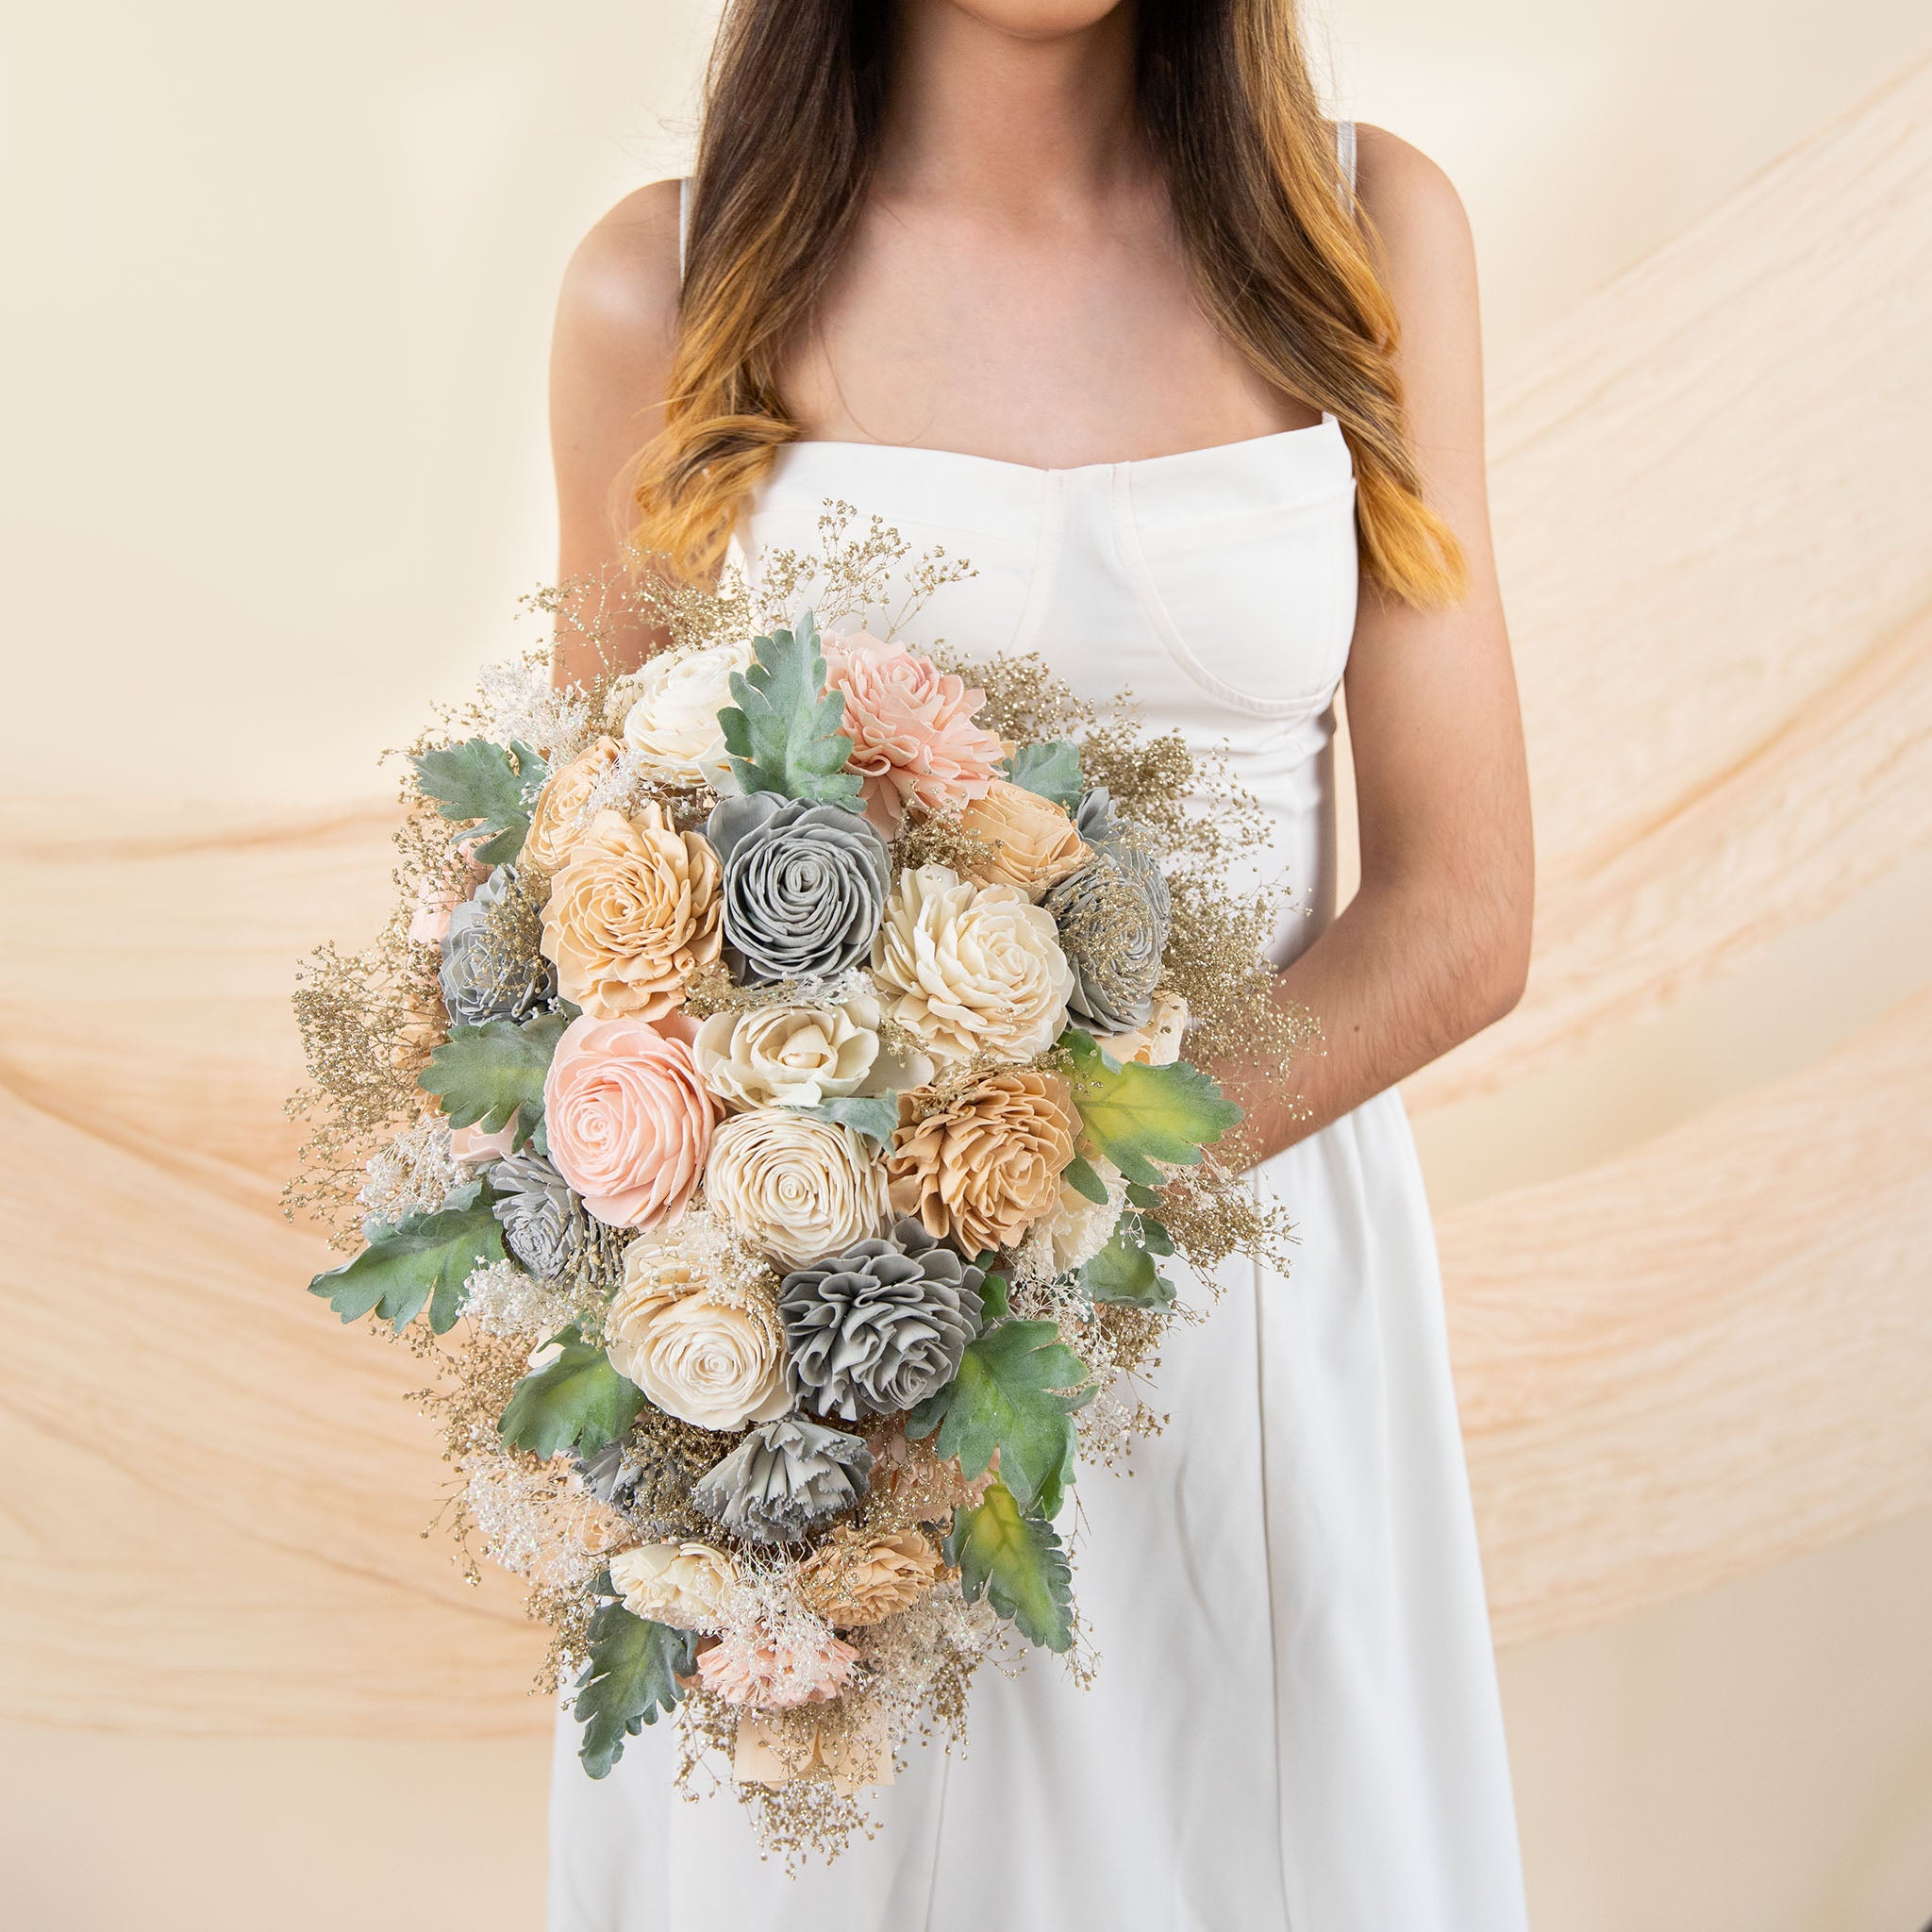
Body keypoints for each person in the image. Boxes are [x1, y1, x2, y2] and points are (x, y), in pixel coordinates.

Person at [545, 2, 1534, 1926]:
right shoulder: (655, 287)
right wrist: (821, 1294)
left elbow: (1461, 908)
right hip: (828, 1372)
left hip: (1246, 1315)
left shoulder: (1367, 233)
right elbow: (601, 914)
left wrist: (1022, 1203)